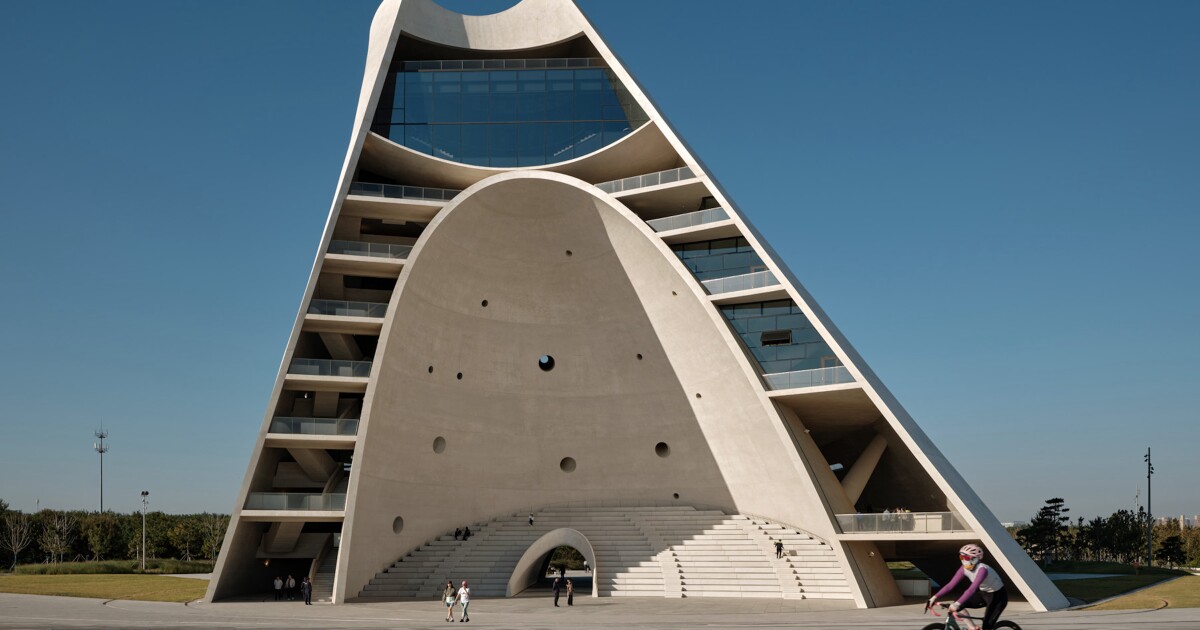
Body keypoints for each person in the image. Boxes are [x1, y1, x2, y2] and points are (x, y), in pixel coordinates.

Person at [929, 544, 1008, 630]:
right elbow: (950, 585)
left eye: (966, 558)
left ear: (975, 559)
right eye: (961, 557)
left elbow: (972, 589)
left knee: (987, 626)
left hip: (998, 596)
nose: (963, 560)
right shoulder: (964, 568)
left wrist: (956, 605)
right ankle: (972, 627)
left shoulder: (982, 570)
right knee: (958, 604)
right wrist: (933, 597)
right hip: (983, 593)